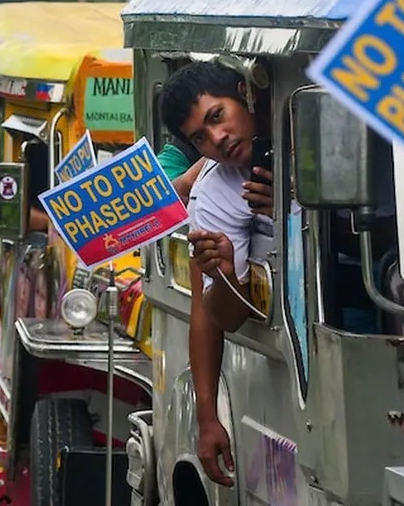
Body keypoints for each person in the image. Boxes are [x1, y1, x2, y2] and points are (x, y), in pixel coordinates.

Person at [158, 61, 275, 488]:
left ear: (246, 94)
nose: (217, 140)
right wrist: (225, 273)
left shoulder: (320, 137)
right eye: (199, 138)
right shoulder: (214, 190)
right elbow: (221, 315)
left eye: (216, 117)